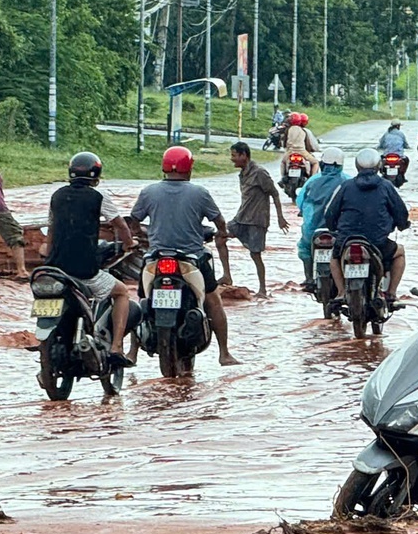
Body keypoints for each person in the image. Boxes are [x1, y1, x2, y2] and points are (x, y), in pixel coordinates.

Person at [130, 145, 240, 367]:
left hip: (155, 259)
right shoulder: (199, 193)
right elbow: (219, 221)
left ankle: (132, 352)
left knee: (142, 301)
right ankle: (224, 353)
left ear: (164, 167)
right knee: (213, 300)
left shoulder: (148, 192)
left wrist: (141, 234)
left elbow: (133, 222)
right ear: (189, 168)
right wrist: (221, 232)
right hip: (192, 259)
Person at [44, 151, 136, 363]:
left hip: (55, 270)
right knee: (122, 293)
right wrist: (130, 244)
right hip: (83, 270)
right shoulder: (98, 197)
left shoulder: (57, 195)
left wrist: (48, 254)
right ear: (96, 175)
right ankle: (116, 348)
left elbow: (51, 228)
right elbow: (120, 224)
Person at [323, 148, 411, 306]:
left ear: (357, 166)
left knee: (334, 258)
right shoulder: (386, 186)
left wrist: (333, 228)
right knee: (400, 253)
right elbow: (400, 211)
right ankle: (391, 293)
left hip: (346, 242)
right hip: (378, 243)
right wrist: (403, 225)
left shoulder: (346, 186)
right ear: (378, 166)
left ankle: (341, 292)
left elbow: (330, 213)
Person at [227, 142, 288, 298]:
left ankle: (263, 289)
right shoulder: (242, 173)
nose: (232, 159)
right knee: (220, 236)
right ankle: (227, 275)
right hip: (241, 218)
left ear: (244, 156)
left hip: (256, 221)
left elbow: (274, 193)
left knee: (255, 254)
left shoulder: (260, 173)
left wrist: (280, 218)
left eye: (234, 155)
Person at [296, 147, 349, 292]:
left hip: (312, 231)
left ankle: (308, 278)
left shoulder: (313, 181)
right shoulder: (347, 181)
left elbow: (300, 201)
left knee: (304, 248)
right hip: (338, 230)